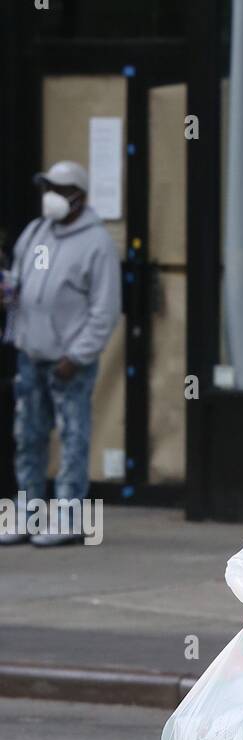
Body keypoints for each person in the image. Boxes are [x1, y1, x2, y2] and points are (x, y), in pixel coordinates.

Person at [0, 159, 121, 546]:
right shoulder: (37, 232)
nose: (49, 196)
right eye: (46, 187)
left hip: (70, 360)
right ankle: (27, 514)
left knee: (72, 438)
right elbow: (20, 281)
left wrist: (78, 355)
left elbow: (104, 310)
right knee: (28, 436)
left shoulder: (97, 243)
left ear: (79, 196)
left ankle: (69, 518)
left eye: (57, 188)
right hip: (30, 353)